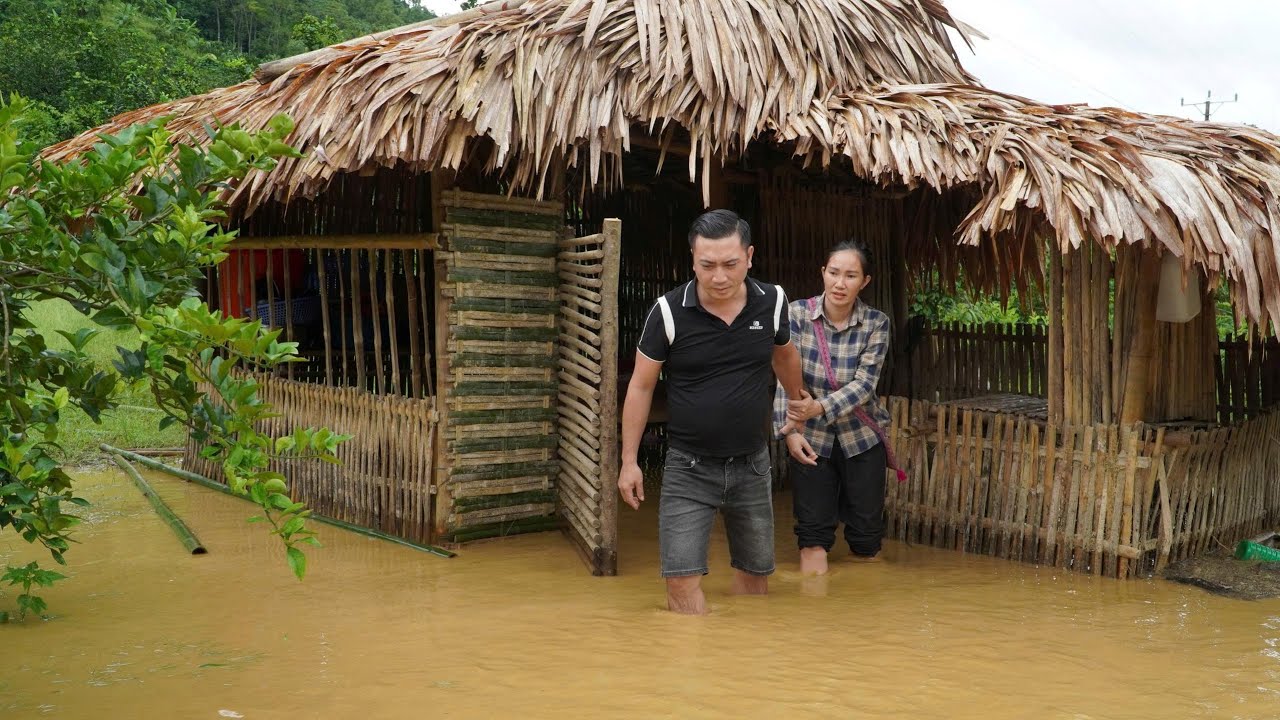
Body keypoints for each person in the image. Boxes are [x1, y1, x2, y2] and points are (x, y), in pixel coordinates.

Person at [618, 209, 804, 615]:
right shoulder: (667, 313)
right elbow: (641, 385)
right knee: (681, 587)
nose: (719, 276)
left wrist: (796, 409)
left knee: (755, 582)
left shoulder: (772, 301)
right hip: (688, 468)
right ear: (692, 260)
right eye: (707, 265)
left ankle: (737, 671)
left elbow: (784, 355)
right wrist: (629, 461)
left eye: (730, 264)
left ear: (750, 256)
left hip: (752, 466)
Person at [774, 239, 901, 575]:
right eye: (833, 273)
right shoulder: (797, 314)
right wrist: (788, 432)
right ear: (823, 273)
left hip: (861, 437)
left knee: (866, 537)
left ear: (865, 282)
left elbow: (865, 385)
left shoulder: (876, 323)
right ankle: (817, 614)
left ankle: (862, 617)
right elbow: (783, 377)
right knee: (812, 535)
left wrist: (820, 407)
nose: (839, 283)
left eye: (850, 276)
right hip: (810, 437)